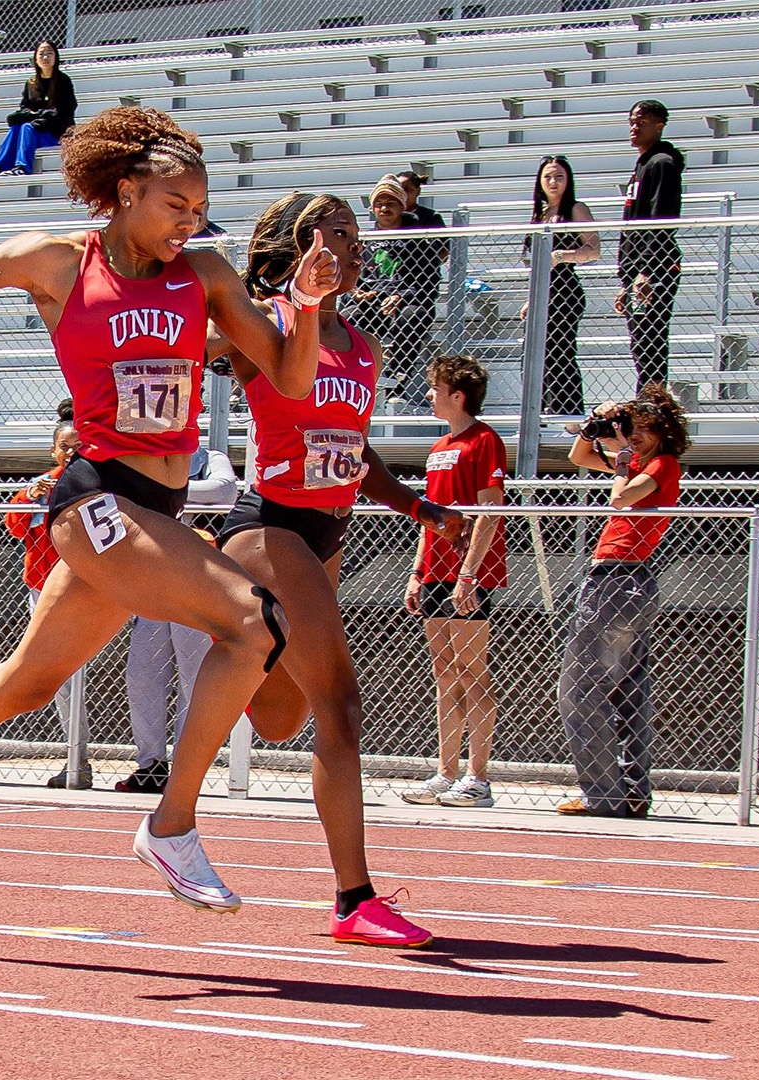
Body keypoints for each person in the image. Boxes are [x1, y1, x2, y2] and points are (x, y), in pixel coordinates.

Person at [0, 106, 341, 919]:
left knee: (25, 684)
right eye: (176, 206)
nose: (190, 223)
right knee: (252, 623)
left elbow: (290, 379)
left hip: (156, 511)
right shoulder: (62, 261)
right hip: (96, 496)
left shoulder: (204, 275)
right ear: (128, 191)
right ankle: (171, 825)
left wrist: (305, 304)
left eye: (200, 211)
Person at [211, 191, 471, 946]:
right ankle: (353, 899)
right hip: (268, 526)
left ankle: (235, 644)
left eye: (360, 236)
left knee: (281, 716)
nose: (359, 248)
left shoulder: (363, 345)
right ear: (299, 245)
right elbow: (196, 346)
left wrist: (417, 507)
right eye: (341, 234)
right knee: (342, 707)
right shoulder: (267, 324)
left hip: (328, 533)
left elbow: (354, 450)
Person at [556, 384, 690, 818]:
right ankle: (631, 790)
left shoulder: (662, 464)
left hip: (620, 579)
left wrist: (624, 463)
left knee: (579, 690)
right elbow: (578, 457)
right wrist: (597, 422)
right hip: (618, 580)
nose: (633, 436)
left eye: (643, 430)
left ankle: (603, 792)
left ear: (663, 432)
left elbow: (622, 498)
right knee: (627, 690)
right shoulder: (635, 462)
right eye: (631, 428)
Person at [402, 355, 507, 810]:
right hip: (437, 570)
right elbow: (430, 515)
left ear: (456, 395)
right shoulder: (438, 446)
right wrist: (417, 571)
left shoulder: (485, 441)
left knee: (471, 670)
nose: (429, 395)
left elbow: (489, 509)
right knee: (444, 672)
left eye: (436, 388)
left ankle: (478, 777)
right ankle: (446, 771)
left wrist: (469, 573)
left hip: (469, 572)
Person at [118, 444, 239, 794]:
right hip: (152, 576)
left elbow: (223, 490)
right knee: (142, 674)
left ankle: (188, 767)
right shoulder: (145, 455)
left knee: (194, 676)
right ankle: (150, 763)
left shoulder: (208, 457)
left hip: (198, 575)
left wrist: (162, 493)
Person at [5, 419, 96, 788]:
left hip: (89, 588)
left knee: (88, 674)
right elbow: (14, 527)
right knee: (59, 678)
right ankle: (78, 758)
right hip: (42, 589)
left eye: (78, 445)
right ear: (53, 450)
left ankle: (148, 761)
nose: (70, 453)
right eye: (64, 446)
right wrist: (31, 497)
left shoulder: (95, 481)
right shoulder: (39, 485)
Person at [345, 174, 444, 403]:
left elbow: (428, 280)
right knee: (348, 318)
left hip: (406, 302)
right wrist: (356, 291)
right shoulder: (365, 239)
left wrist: (401, 296)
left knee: (412, 316)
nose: (384, 208)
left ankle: (396, 378)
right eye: (379, 203)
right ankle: (353, 377)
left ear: (401, 205)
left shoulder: (417, 238)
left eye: (390, 202)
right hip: (374, 303)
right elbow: (354, 275)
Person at [525, 156, 600, 418]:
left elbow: (594, 250)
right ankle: (544, 410)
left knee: (560, 351)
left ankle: (568, 413)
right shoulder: (539, 214)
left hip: (564, 289)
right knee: (537, 355)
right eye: (547, 177)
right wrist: (530, 298)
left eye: (559, 176)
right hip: (541, 289)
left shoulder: (576, 209)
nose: (553, 182)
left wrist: (561, 255)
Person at [617, 102, 684, 391]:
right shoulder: (643, 164)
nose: (634, 127)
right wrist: (626, 278)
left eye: (641, 122)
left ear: (658, 126)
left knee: (650, 341)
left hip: (654, 271)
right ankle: (647, 399)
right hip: (637, 273)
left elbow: (662, 219)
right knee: (640, 342)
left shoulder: (662, 164)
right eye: (631, 121)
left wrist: (646, 272)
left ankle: (652, 402)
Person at [0, 40, 77, 177]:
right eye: (41, 54)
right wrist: (36, 116)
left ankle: (22, 167)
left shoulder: (63, 81)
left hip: (56, 133)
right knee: (16, 128)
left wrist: (36, 117)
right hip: (34, 132)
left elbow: (64, 113)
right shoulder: (31, 83)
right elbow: (24, 109)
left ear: (56, 57)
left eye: (49, 53)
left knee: (27, 127)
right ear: (36, 59)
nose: (45, 57)